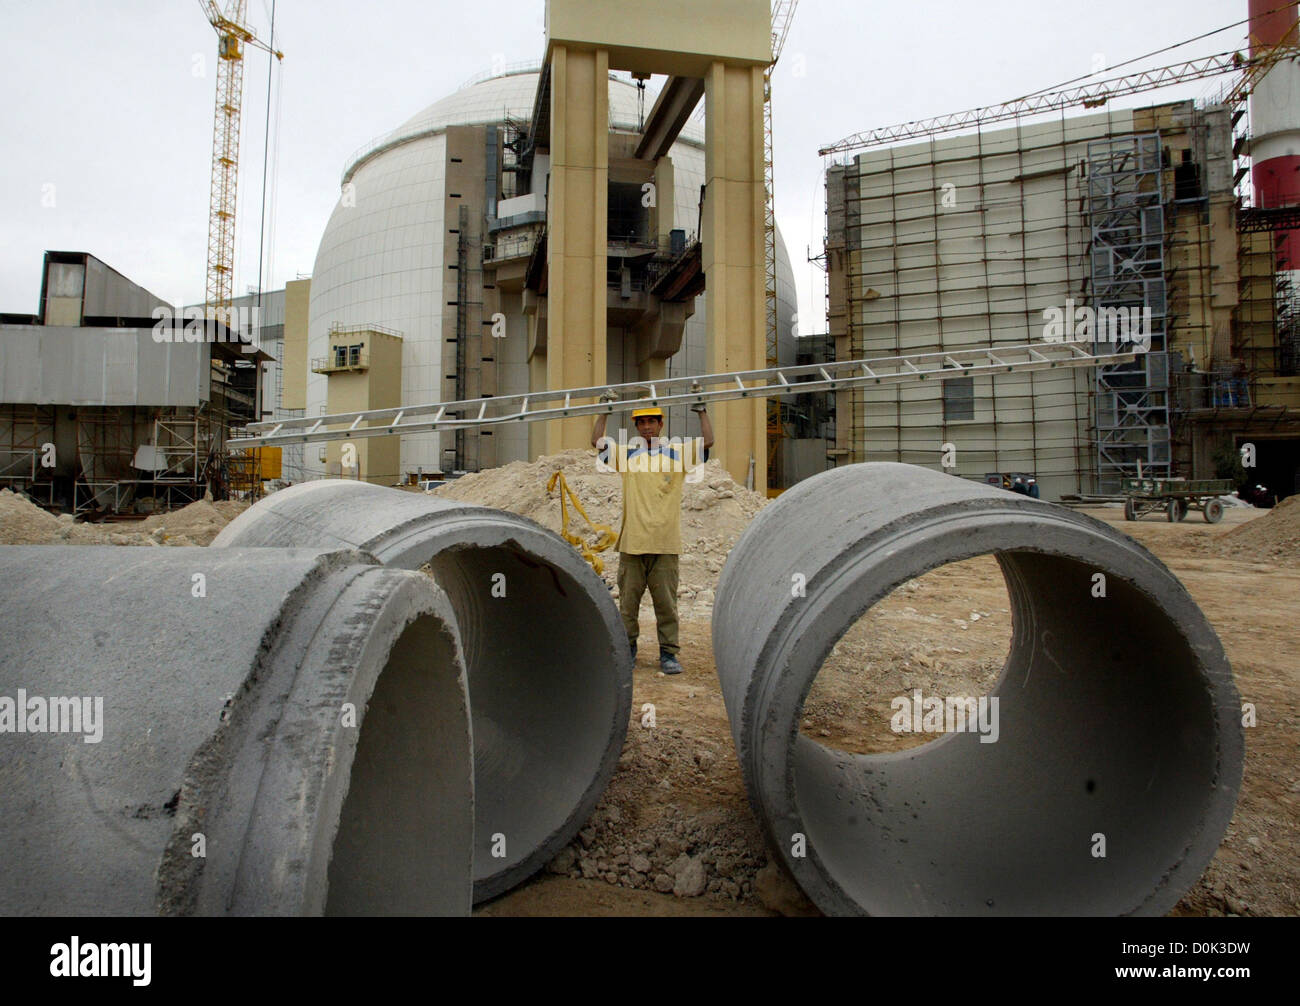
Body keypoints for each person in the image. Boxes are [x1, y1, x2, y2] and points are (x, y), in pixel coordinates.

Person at [591, 397, 714, 675]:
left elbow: (707, 441)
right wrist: (603, 412)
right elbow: (597, 441)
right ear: (636, 427)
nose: (647, 427)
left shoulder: (678, 453)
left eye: (651, 421)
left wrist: (702, 411)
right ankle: (628, 650)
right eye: (642, 422)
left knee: (667, 605)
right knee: (628, 606)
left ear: (661, 424)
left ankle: (668, 654)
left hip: (665, 543)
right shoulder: (627, 455)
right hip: (632, 543)